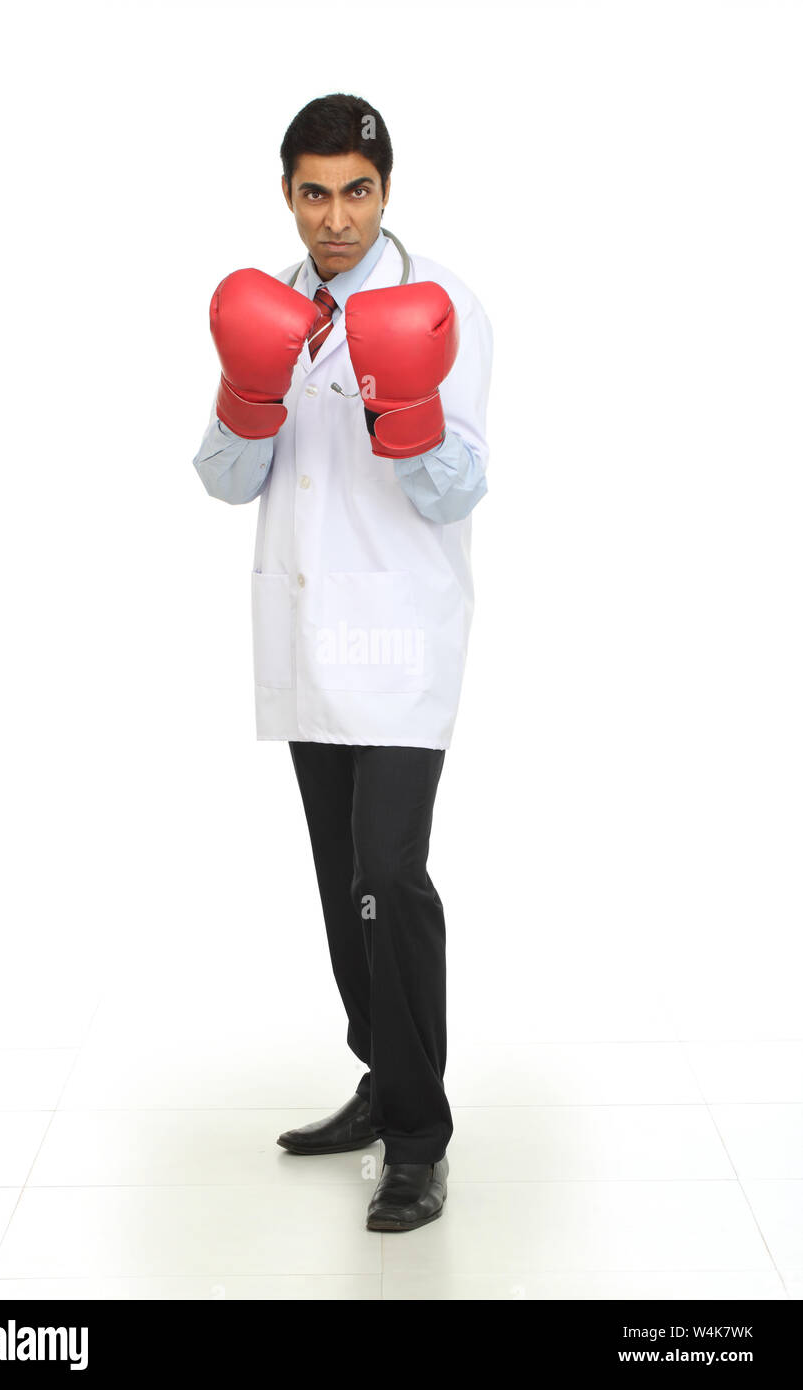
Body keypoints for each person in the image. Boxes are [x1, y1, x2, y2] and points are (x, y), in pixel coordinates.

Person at [192, 93, 492, 1232]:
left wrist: (398, 401)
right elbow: (226, 481)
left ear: (384, 191)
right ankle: (383, 1077)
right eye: (313, 192)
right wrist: (247, 390)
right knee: (339, 883)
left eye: (355, 192)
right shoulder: (264, 309)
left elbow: (462, 485)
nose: (335, 217)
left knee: (387, 877)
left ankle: (419, 1137)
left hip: (401, 636)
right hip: (305, 635)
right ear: (287, 192)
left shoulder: (440, 303)